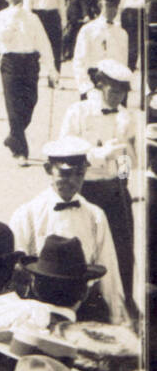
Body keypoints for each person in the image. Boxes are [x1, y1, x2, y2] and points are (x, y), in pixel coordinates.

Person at [8, 138, 125, 323]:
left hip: (84, 305)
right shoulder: (27, 214)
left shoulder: (95, 215)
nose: (73, 181)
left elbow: (108, 268)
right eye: (65, 173)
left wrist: (117, 317)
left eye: (79, 174)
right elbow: (16, 270)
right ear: (48, 169)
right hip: (40, 307)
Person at [58, 59, 138, 311]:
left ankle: (125, 299)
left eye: (123, 92)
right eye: (113, 90)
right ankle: (80, 301)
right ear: (100, 84)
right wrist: (100, 154)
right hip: (86, 188)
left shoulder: (126, 116)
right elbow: (65, 153)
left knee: (123, 249)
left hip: (114, 189)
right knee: (83, 246)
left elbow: (127, 158)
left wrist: (124, 178)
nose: (118, 97)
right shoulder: (78, 112)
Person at [0, 0, 56, 162]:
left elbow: (43, 42)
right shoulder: (0, 17)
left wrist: (52, 68)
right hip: (10, 62)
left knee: (30, 103)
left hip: (30, 63)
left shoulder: (32, 18)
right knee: (13, 107)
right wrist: (14, 19)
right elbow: (4, 37)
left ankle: (13, 137)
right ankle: (21, 151)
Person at [71, 0, 127, 99]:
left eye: (115, 6)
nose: (112, 10)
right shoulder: (88, 30)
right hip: (94, 82)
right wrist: (86, 87)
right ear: (100, 5)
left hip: (116, 85)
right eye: (108, 6)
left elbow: (123, 62)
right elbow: (79, 61)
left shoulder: (122, 33)